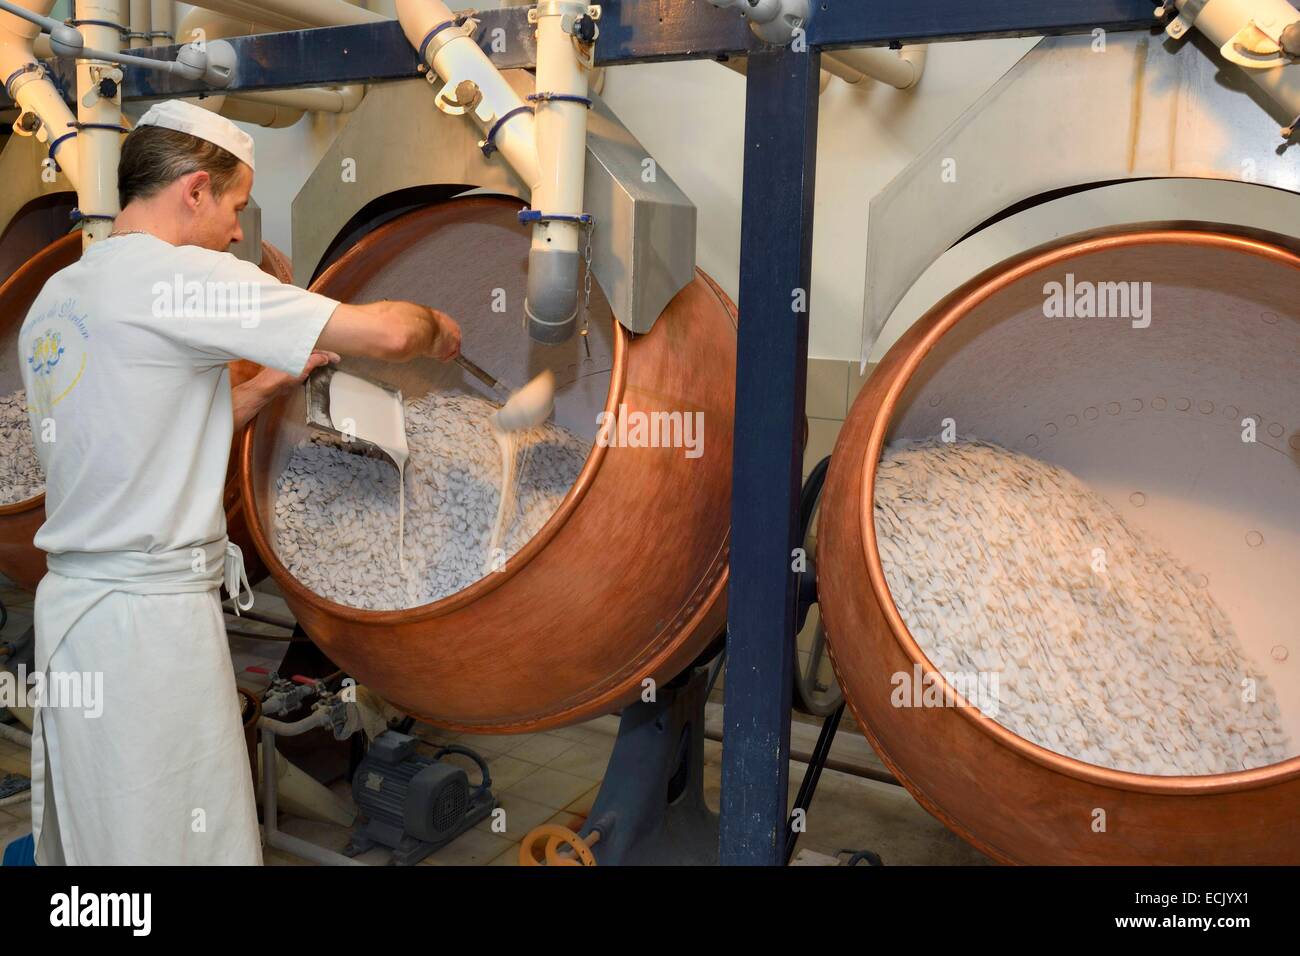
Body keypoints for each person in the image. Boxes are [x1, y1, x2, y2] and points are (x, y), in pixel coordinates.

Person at [18, 99, 461, 865]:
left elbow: (138, 430)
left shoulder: (61, 296)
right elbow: (389, 332)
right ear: (194, 190)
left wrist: (264, 390)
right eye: (234, 206)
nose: (235, 231)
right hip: (145, 630)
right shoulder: (185, 279)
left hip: (77, 615)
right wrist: (436, 328)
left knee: (107, 838)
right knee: (166, 838)